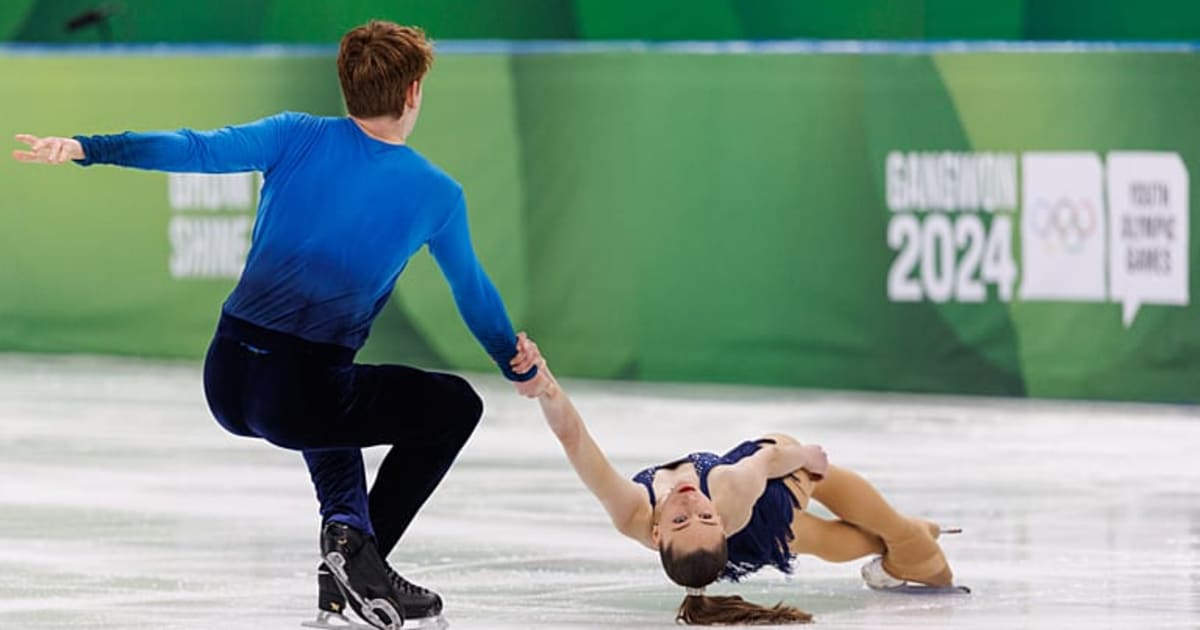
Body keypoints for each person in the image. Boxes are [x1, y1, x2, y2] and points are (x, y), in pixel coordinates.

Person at [12, 20, 547, 630]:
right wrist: (514, 362)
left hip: (226, 375)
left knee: (337, 397)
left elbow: (194, 148)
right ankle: (358, 556)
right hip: (297, 395)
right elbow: (472, 292)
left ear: (346, 86)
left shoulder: (294, 134)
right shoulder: (436, 193)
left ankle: (345, 543)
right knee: (453, 406)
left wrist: (88, 147)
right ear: (413, 92)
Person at [521, 360, 961, 625]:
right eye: (698, 516)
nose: (691, 501)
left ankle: (906, 540)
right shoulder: (727, 492)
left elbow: (573, 440)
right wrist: (806, 456)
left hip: (729, 532)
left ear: (657, 534)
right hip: (757, 501)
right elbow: (771, 461)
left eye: (683, 519)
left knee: (809, 531)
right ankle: (908, 538)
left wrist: (546, 386)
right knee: (807, 474)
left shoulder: (633, 511)